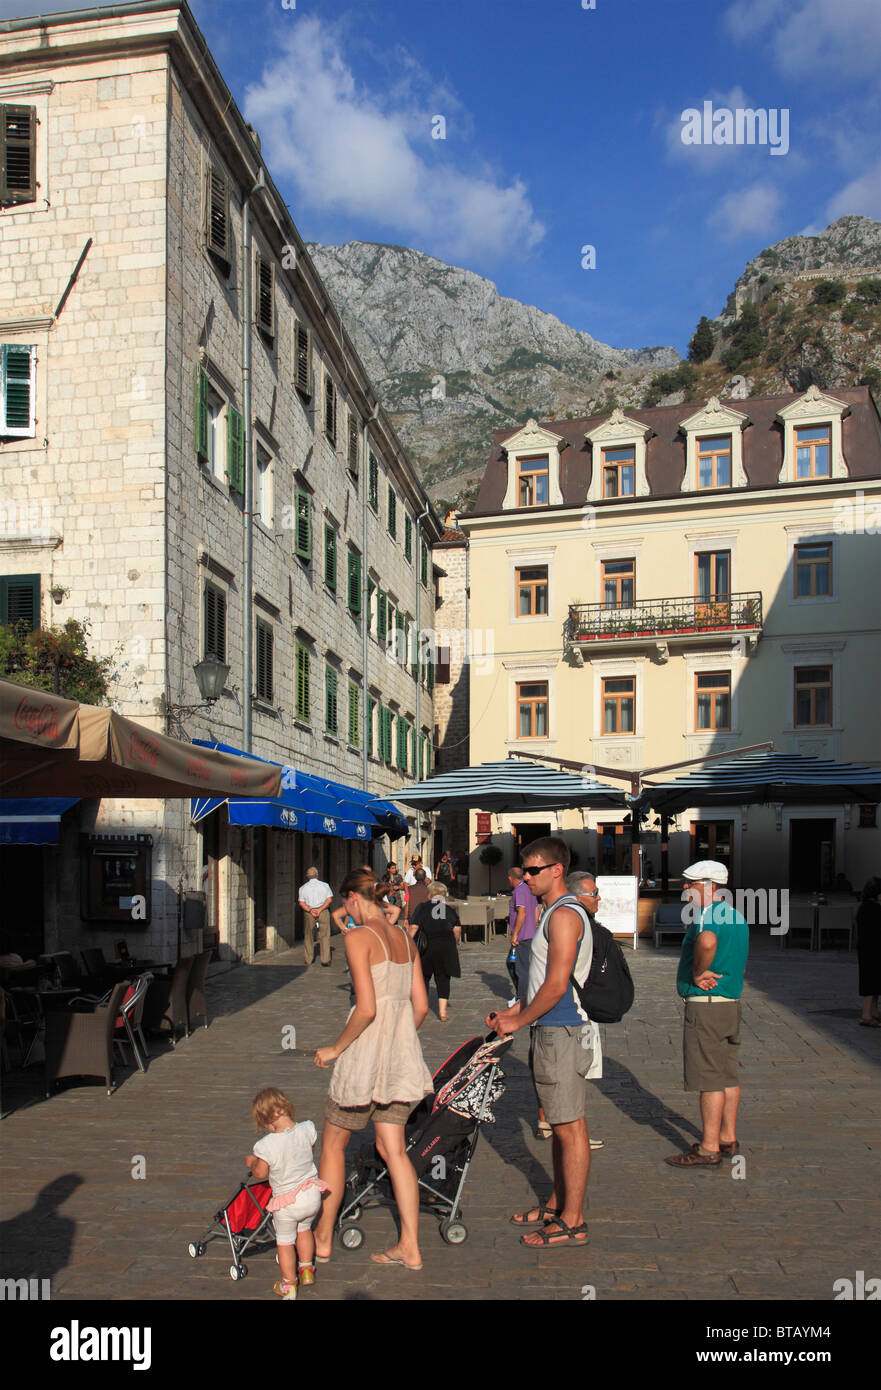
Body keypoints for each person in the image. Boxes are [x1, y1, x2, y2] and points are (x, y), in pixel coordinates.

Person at [313, 869, 433, 1270]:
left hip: (363, 1058)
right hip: (401, 1060)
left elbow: (366, 1008)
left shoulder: (358, 938)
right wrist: (395, 1040)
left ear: (352, 899)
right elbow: (420, 1007)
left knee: (334, 1144)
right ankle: (410, 1245)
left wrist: (334, 1048)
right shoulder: (404, 938)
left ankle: (323, 1236)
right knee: (394, 1151)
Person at [487, 836, 593, 1249]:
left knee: (569, 1127)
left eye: (533, 870)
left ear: (556, 870)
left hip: (560, 1030)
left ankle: (573, 1219)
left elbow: (556, 985)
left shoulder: (565, 916)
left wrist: (520, 1021)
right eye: (524, 870)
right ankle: (556, 1204)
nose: (525, 877)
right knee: (558, 1126)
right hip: (548, 1026)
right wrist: (513, 1014)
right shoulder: (551, 912)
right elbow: (539, 988)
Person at [665, 860, 749, 1167]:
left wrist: (698, 971)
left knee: (709, 1077)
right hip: (731, 1003)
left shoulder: (708, 916)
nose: (685, 888)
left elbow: (708, 941)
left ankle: (709, 1147)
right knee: (728, 1073)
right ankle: (728, 1137)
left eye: (690, 883)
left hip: (707, 1005)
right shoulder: (736, 916)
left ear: (708, 886)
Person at [246, 1086, 330, 1300]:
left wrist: (253, 1163)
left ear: (266, 1122)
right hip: (311, 1195)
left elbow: (260, 1173)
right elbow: (309, 1152)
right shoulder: (306, 1129)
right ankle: (307, 1269)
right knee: (305, 1230)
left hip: (287, 1202)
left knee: (284, 1243)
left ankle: (289, 1284)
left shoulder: (266, 1145)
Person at [409, 880, 461, 1021]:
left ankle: (422, 1007)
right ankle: (443, 1012)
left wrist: (407, 943)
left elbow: (414, 927)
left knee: (424, 977)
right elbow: (457, 929)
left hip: (427, 947)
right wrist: (454, 942)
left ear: (429, 895)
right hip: (446, 948)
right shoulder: (449, 910)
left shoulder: (422, 908)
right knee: (443, 978)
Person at [856, 876, 881, 1027]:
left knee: (874, 981)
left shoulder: (864, 907)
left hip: (867, 949)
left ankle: (873, 1012)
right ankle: (867, 1015)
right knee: (871, 982)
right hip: (873, 950)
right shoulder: (874, 909)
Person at [298, 867, 333, 967]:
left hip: (309, 912)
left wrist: (311, 910)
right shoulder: (325, 885)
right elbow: (329, 899)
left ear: (307, 877)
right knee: (325, 935)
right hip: (323, 911)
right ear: (317, 875)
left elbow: (301, 903)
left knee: (308, 935)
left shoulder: (303, 888)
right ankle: (325, 959)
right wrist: (320, 909)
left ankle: (308, 958)